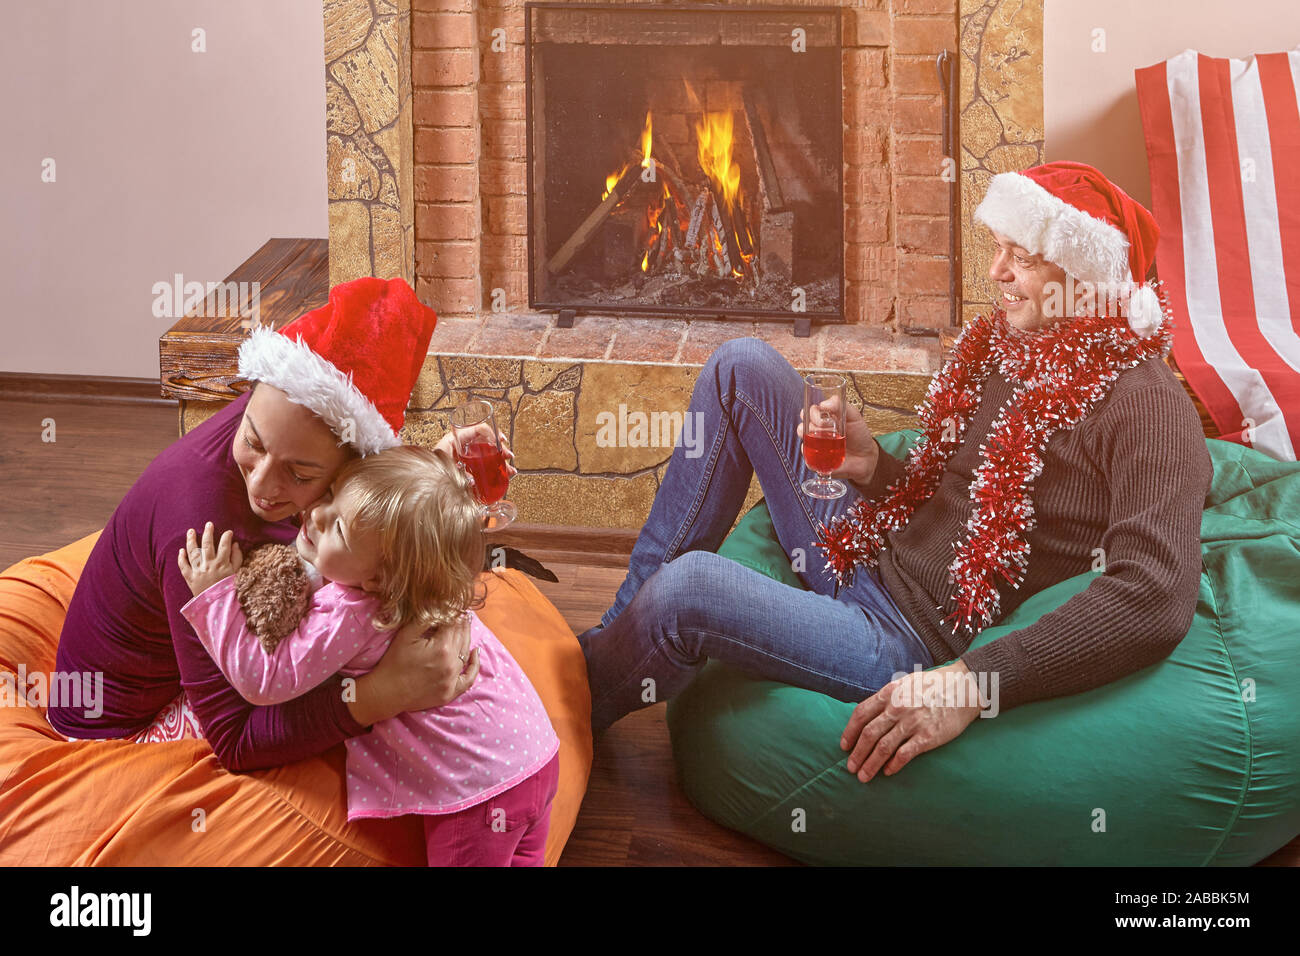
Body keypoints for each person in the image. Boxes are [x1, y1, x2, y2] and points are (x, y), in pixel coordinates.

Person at [578, 161, 1212, 784]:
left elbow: (1155, 595)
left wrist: (969, 686)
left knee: (690, 590)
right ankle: (613, 637)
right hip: (869, 546)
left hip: (906, 639)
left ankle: (573, 704)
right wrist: (875, 468)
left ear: (1085, 274)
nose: (997, 273)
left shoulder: (1148, 407)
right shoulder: (1009, 345)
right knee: (740, 366)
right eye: (998, 248)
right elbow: (960, 497)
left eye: (1021, 257)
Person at [49, 277, 513, 771]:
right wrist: (385, 692)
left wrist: (433, 475)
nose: (262, 487)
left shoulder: (288, 419)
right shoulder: (201, 532)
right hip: (120, 729)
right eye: (253, 441)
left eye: (300, 475)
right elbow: (236, 742)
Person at [177, 445, 560, 867]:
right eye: (331, 494)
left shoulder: (351, 613)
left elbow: (262, 681)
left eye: (339, 529)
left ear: (379, 579)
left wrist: (217, 597)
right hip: (537, 752)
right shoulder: (426, 582)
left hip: (485, 788)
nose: (316, 514)